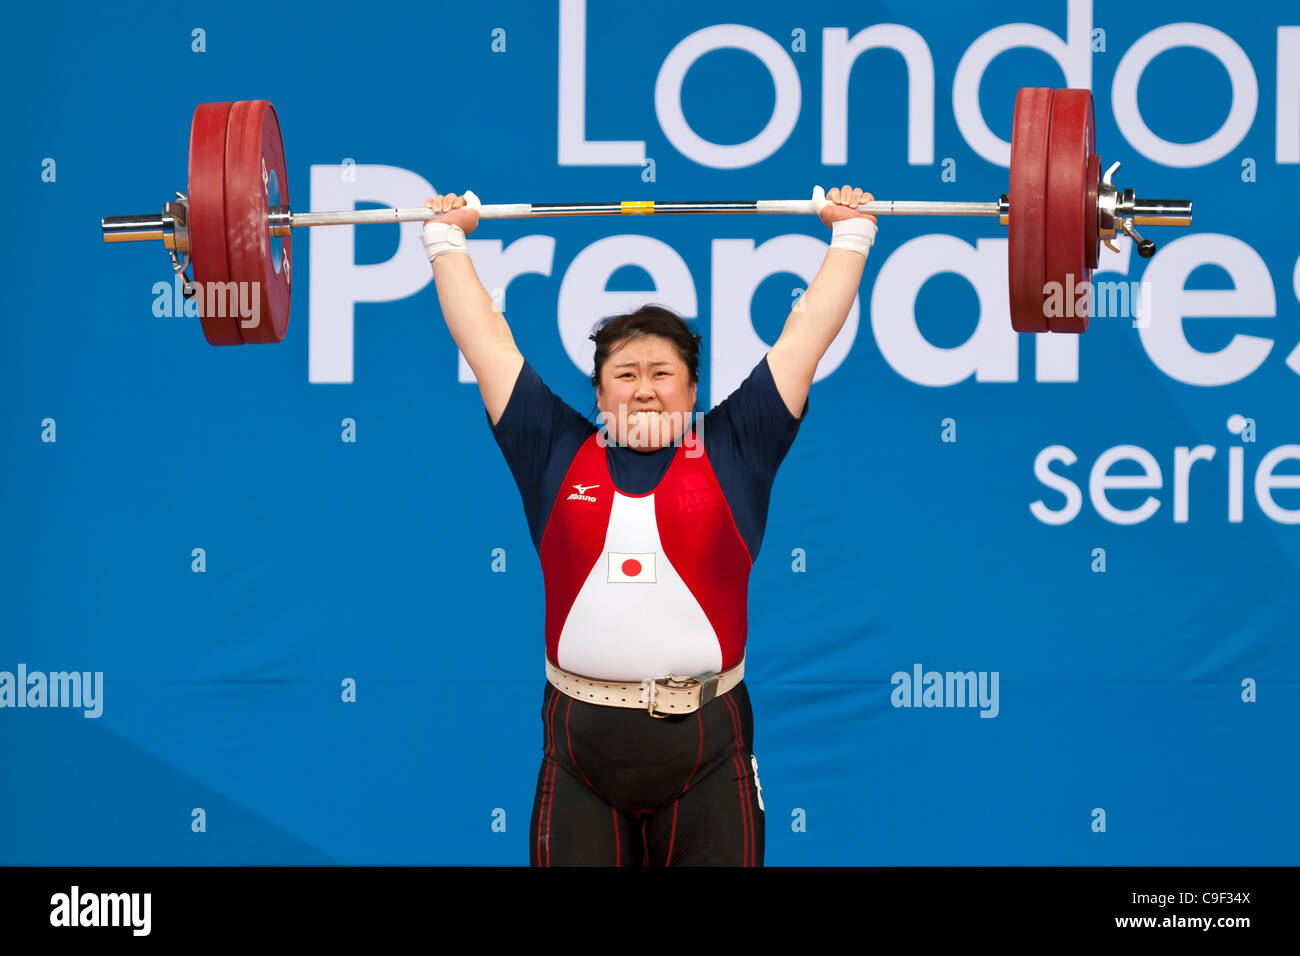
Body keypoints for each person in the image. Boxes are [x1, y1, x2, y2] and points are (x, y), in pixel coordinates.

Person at [422, 186, 878, 865]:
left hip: (708, 757)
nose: (643, 388)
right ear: (599, 393)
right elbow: (486, 340)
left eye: (663, 373)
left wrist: (851, 236)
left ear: (693, 390)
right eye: (624, 373)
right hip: (581, 757)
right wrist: (446, 241)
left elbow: (806, 333)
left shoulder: (737, 446)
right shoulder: (551, 448)